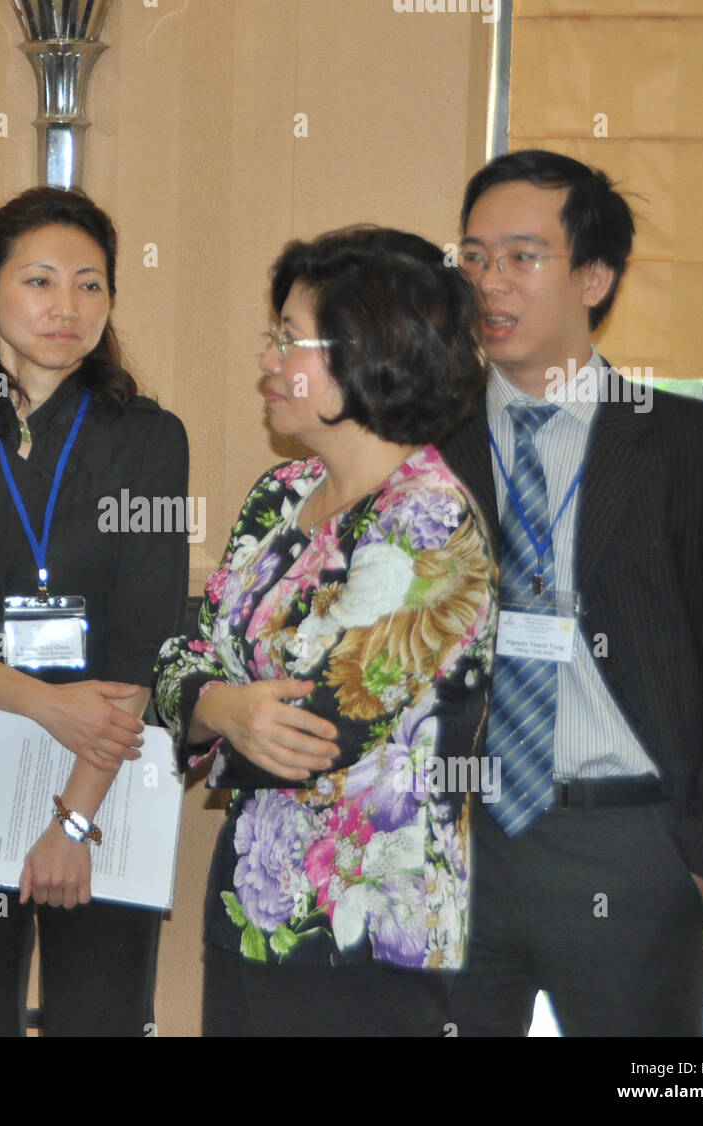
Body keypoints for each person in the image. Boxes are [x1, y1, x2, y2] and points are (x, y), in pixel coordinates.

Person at [441, 149, 703, 1036]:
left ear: (595, 277)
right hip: (456, 843)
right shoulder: (424, 449)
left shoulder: (687, 445)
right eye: (475, 257)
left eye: (523, 257)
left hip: (632, 849)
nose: (492, 282)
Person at [153, 227, 495, 1036]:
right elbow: (180, 657)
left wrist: (217, 706)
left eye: (287, 339)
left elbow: (317, 725)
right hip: (251, 907)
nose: (267, 361)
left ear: (368, 350)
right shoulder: (280, 494)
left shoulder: (432, 525)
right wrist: (223, 706)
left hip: (370, 939)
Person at [0, 187, 189, 1037]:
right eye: (41, 281)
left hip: (106, 787)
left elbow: (144, 642)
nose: (68, 307)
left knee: (101, 1022)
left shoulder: (149, 439)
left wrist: (73, 821)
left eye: (91, 284)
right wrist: (43, 703)